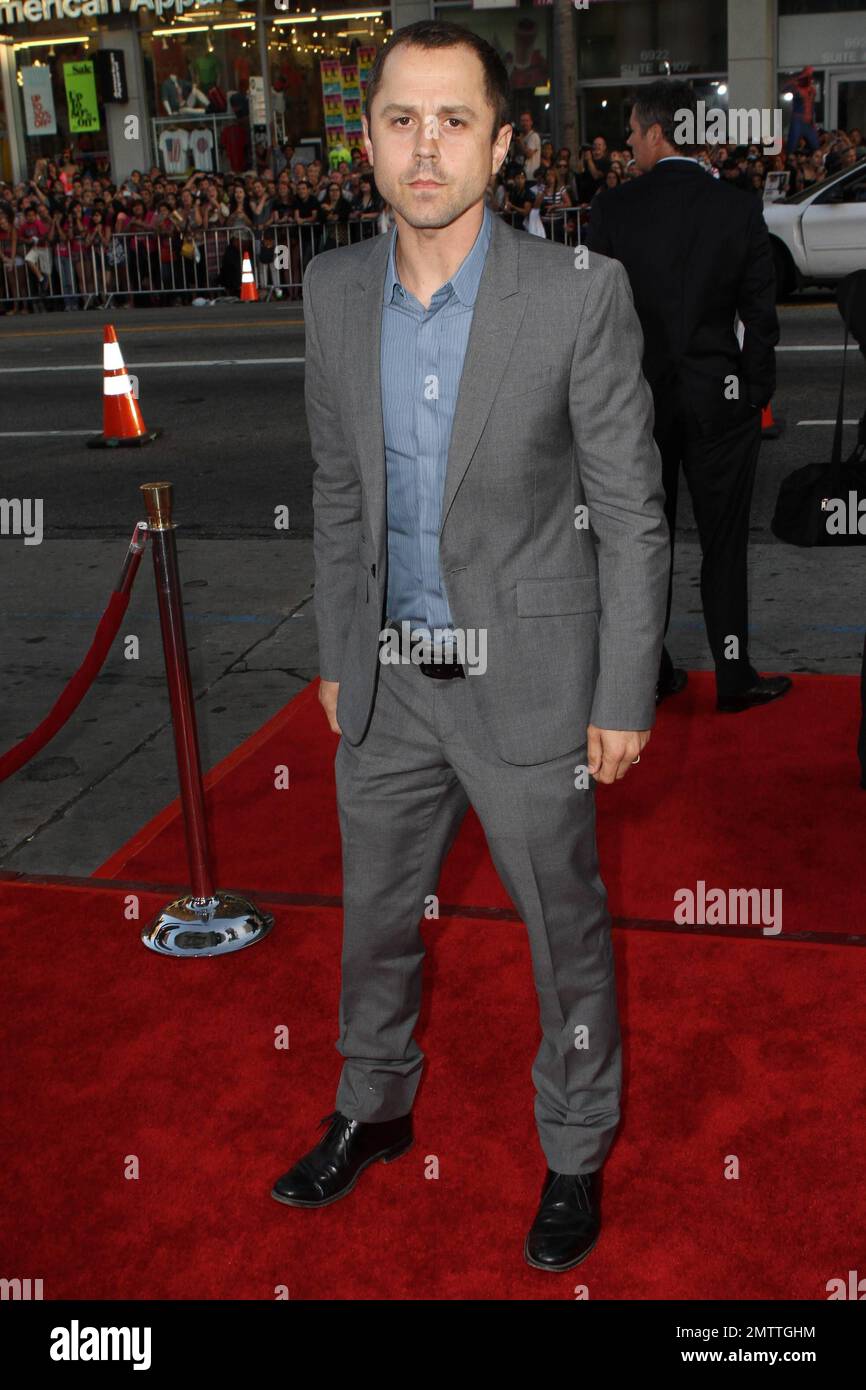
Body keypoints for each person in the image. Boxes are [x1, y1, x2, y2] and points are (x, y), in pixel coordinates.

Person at [271, 18, 670, 1273]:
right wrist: (340, 653)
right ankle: (373, 1107)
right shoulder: (333, 292)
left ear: (501, 143)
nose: (424, 145)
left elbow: (631, 508)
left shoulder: (575, 294)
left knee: (563, 935)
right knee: (376, 921)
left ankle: (573, 1148)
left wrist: (622, 690)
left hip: (536, 686)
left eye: (453, 120)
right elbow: (340, 491)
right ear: (368, 139)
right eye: (400, 118)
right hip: (390, 680)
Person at [587, 79, 790, 714]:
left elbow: (593, 317)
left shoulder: (614, 210)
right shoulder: (736, 207)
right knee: (724, 544)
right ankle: (733, 677)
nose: (625, 143)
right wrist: (754, 392)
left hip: (637, 405)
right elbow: (761, 317)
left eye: (631, 132)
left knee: (642, 543)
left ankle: (649, 672)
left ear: (655, 133)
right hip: (718, 401)